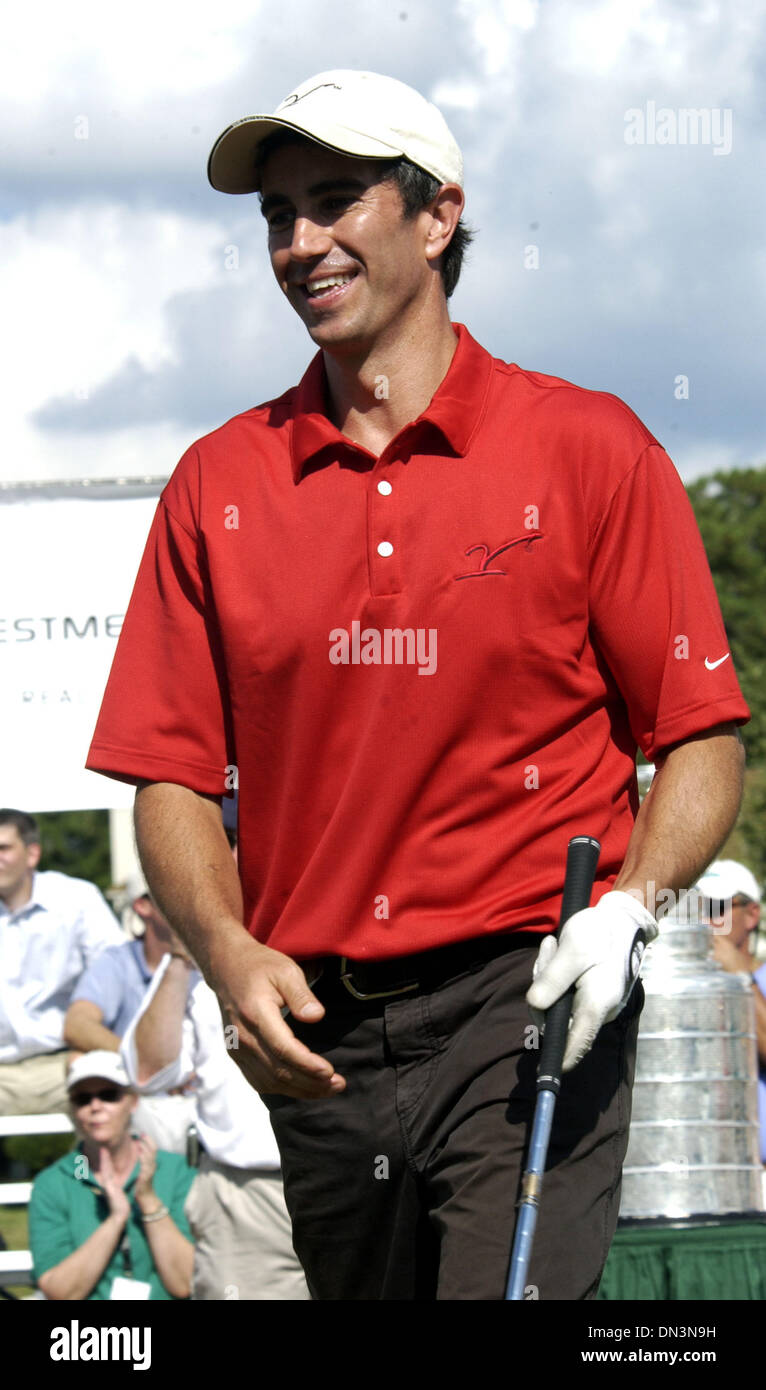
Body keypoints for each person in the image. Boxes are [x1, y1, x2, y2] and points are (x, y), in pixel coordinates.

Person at [86, 69, 750, 1299]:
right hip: (316, 1039)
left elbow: (701, 736)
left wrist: (632, 908)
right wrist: (227, 951)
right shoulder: (212, 483)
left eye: (335, 201)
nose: (299, 243)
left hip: (535, 998)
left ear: (437, 215)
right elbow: (170, 778)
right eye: (276, 214)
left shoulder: (590, 446)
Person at [120, 888, 310, 1299]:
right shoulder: (193, 963)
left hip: (358, 1176)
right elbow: (149, 1071)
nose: (227, 852)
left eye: (234, 839)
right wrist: (178, 956)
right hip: (243, 1193)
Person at [28, 1052, 195, 1300]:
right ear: (73, 1110)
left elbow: (185, 1283)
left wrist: (148, 1199)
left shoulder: (176, 1171)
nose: (95, 1106)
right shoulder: (54, 1183)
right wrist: (116, 1219)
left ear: (134, 1101)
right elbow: (60, 1292)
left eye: (109, 1095)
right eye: (83, 1099)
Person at [0, 808, 124, 1115]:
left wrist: (96, 1046)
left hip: (71, 1061)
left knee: (139, 1098)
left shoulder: (77, 899)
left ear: (32, 854)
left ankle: (94, 1167)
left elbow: (118, 978)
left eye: (3, 848)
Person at [64, 870, 197, 1152]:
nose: (193, 900)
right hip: (145, 1099)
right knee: (77, 1062)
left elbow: (232, 1033)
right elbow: (77, 1025)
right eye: (174, 892)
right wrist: (145, 1061)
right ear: (142, 905)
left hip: (205, 1092)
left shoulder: (223, 958)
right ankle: (85, 1179)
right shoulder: (117, 962)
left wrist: (222, 1056)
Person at [695, 860, 766, 1162]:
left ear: (752, 915)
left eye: (716, 909)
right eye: (698, 910)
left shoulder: (758, 979)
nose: (704, 922)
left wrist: (741, 978)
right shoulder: (684, 989)